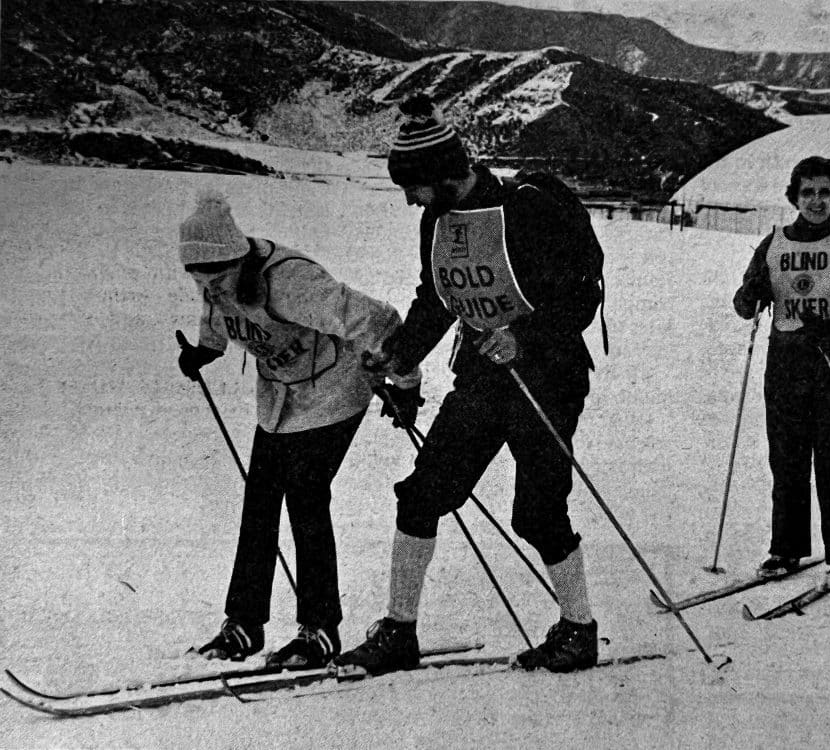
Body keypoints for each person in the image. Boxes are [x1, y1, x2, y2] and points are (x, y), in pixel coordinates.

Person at [333, 93, 604, 675]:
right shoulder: (439, 218)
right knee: (422, 494)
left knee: (537, 514)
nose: (409, 200)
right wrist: (398, 355)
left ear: (440, 173)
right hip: (482, 375)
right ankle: (398, 632)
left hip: (547, 378)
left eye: (414, 186)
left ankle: (579, 629)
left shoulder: (525, 210)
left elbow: (581, 294)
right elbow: (436, 298)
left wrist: (523, 338)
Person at [177, 190, 422, 667]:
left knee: (306, 494)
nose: (212, 289)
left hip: (336, 386)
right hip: (281, 396)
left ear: (239, 257)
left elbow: (379, 319)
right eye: (199, 279)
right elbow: (216, 318)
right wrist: (206, 351)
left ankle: (319, 631)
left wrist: (405, 381)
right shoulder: (216, 282)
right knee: (261, 498)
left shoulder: (292, 282)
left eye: (218, 277)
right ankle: (244, 625)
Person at [733, 156, 830, 587]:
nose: (816, 201)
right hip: (785, 363)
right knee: (787, 459)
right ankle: (785, 548)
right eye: (807, 193)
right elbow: (744, 306)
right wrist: (754, 290)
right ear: (794, 197)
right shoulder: (774, 242)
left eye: (824, 192)